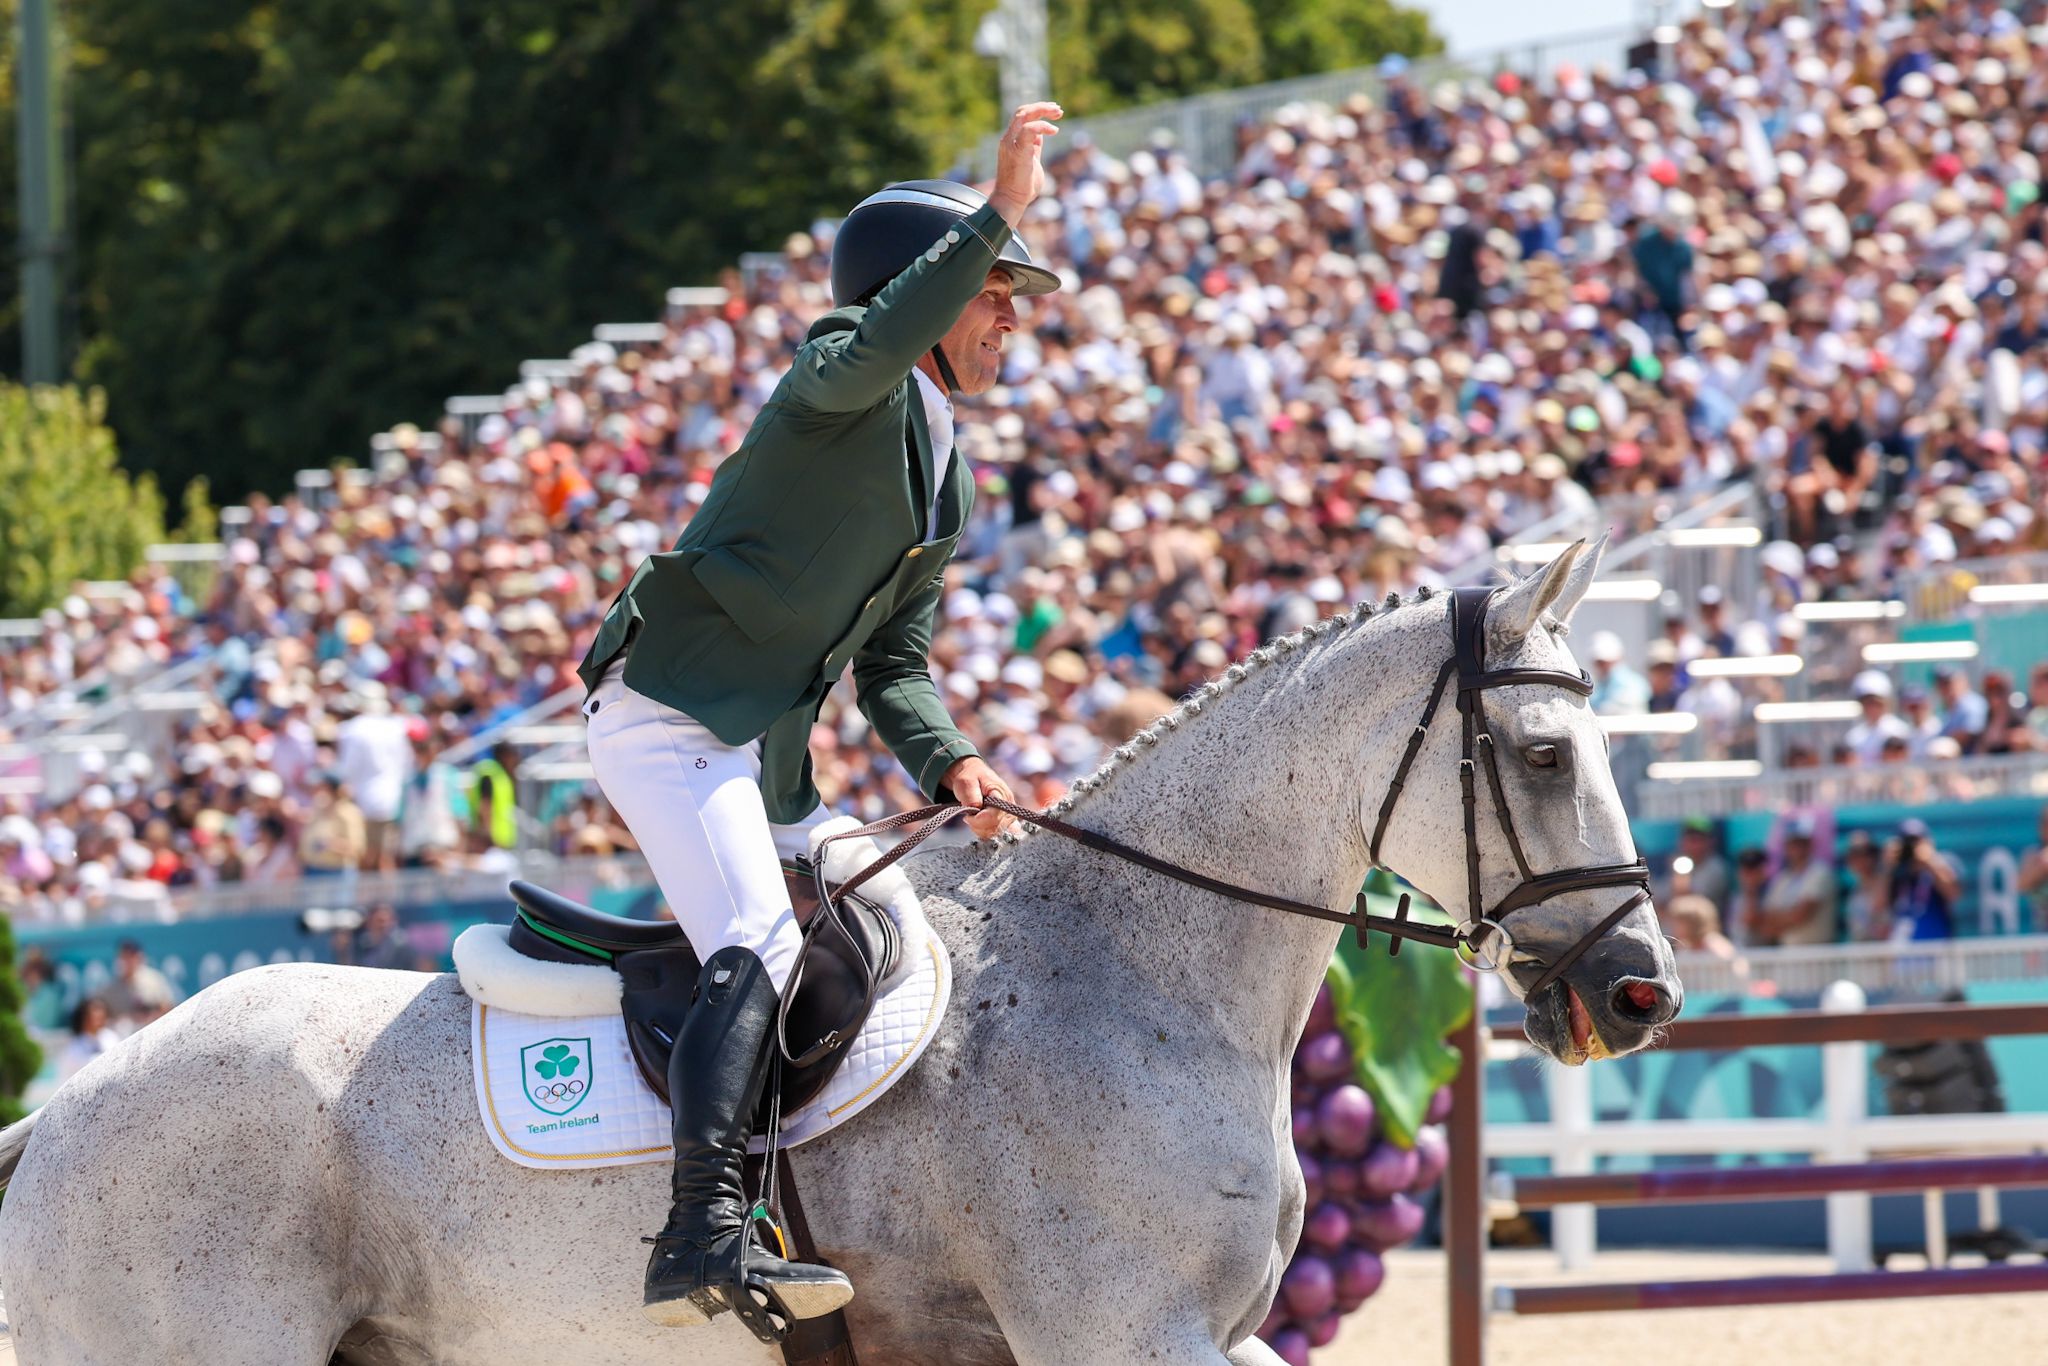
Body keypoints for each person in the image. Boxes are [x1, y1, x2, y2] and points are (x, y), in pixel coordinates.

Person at [573, 103, 1064, 1331]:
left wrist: (955, 763)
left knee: (896, 916)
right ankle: (700, 1231)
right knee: (757, 924)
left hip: (760, 761)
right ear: (918, 290)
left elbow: (893, 667)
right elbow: (882, 336)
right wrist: (995, 205)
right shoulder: (836, 378)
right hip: (668, 715)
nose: (1012, 316)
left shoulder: (943, 474)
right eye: (996, 289)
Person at [1747, 816, 1838, 946]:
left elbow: (1800, 915)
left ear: (1810, 843)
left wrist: (1777, 920)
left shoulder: (1820, 872)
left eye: (1802, 842)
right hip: (1789, 953)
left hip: (1817, 955)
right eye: (1793, 843)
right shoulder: (1784, 878)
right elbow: (1763, 918)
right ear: (1786, 846)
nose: (1797, 847)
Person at [1885, 818, 1960, 941]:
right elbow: (1878, 906)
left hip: (1937, 949)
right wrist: (1886, 867)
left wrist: (1929, 861)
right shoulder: (1897, 872)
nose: (1911, 846)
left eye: (1916, 841)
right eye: (1907, 842)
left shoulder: (1943, 863)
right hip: (1904, 953)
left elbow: (1954, 894)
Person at [97, 939, 178, 1029]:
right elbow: (102, 1018)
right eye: (124, 957)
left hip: (155, 1030)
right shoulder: (110, 989)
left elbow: (168, 1007)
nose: (128, 961)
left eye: (131, 956)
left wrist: (151, 1015)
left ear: (139, 957)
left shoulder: (154, 979)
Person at [59, 997, 121, 1081]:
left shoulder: (111, 1038)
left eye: (102, 1011)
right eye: (95, 1011)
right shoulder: (74, 1048)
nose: (99, 1015)